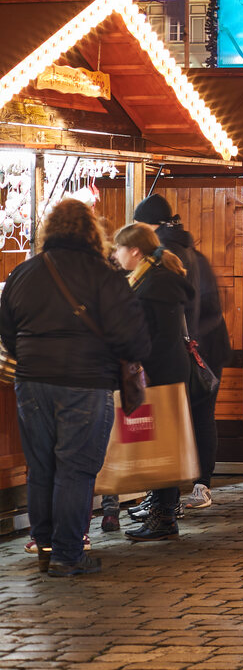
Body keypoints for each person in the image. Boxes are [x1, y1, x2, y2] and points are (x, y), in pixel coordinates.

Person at [0, 200, 150, 576]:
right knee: (76, 469)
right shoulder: (105, 274)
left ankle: (46, 546)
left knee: (41, 467)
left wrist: (32, 359)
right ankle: (68, 554)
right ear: (91, 232)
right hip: (86, 381)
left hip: (32, 382)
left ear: (49, 230)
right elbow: (132, 338)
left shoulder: (24, 272)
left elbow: (7, 330)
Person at [133, 194, 228, 511]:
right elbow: (213, 307)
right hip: (207, 350)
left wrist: (188, 342)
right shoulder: (193, 253)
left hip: (188, 352)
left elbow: (172, 313)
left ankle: (164, 500)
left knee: (171, 423)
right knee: (201, 418)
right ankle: (197, 487)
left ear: (151, 226)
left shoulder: (162, 257)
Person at [106, 223, 196, 542]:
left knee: (164, 446)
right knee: (159, 444)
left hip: (162, 373)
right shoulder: (147, 277)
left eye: (118, 248)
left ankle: (164, 518)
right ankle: (159, 511)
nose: (115, 255)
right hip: (159, 370)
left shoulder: (157, 282)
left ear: (135, 250)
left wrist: (143, 363)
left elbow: (164, 335)